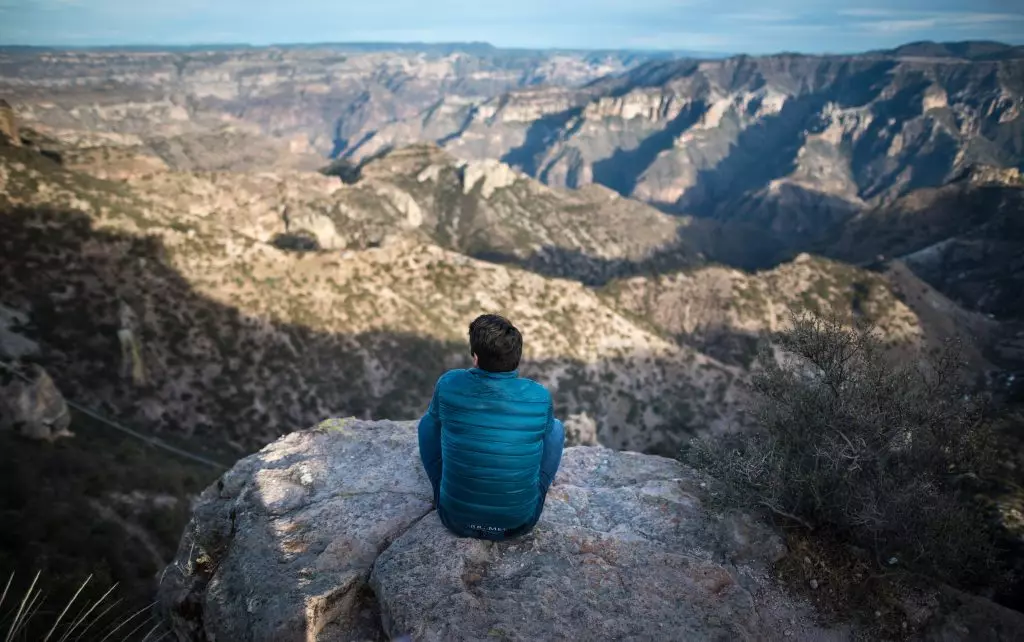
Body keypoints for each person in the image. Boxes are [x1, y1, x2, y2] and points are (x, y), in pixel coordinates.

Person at [417, 314, 564, 540]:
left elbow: (432, 428)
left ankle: (447, 487)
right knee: (555, 430)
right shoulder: (539, 396)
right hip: (517, 525)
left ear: (476, 358)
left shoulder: (449, 383)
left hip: (456, 520)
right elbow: (544, 438)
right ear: (517, 357)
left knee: (428, 423)